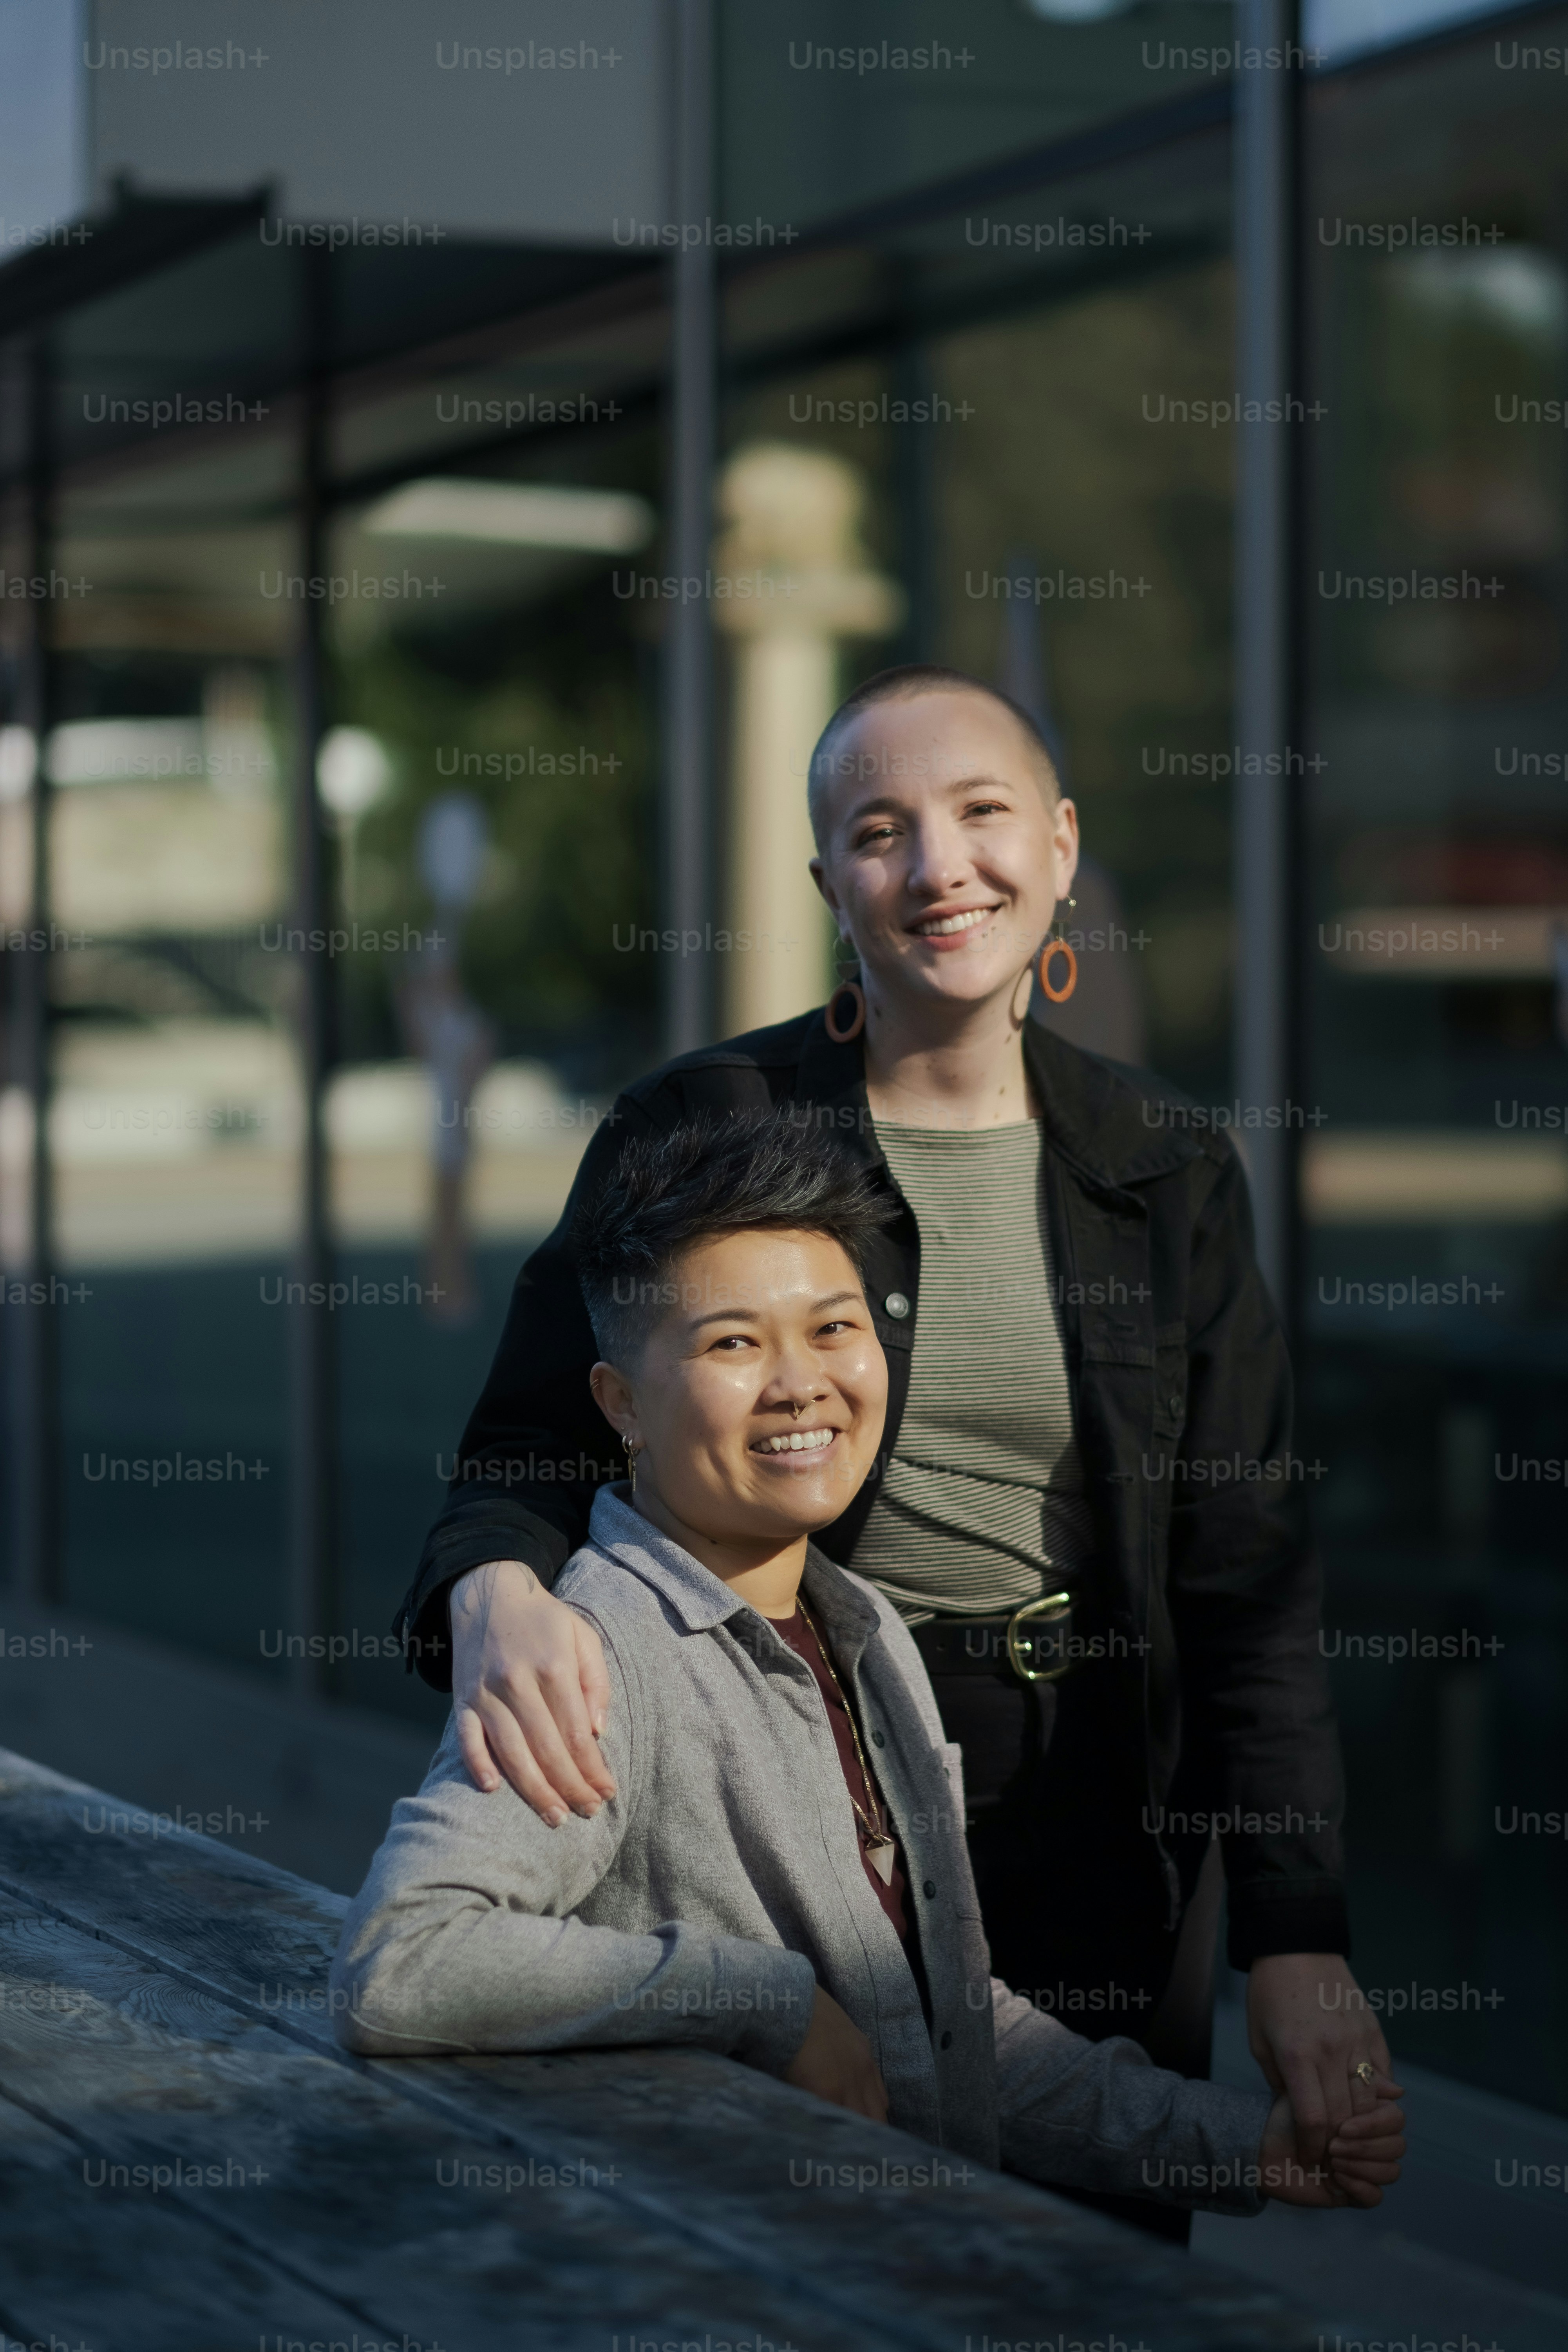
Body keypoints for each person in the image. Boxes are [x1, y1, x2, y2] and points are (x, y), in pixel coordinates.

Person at [393, 664, 1391, 2238]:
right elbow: (528, 1436)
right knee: (828, 2237)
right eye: (879, 830)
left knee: (1082, 2252)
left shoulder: (1167, 1166)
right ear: (825, 884)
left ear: (1058, 848)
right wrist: (499, 1595)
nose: (938, 867)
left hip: (1092, 1805)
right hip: (812, 1769)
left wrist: (1295, 1931)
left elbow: (1245, 1577)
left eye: (980, 815)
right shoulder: (702, 1117)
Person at [343, 1115, 1404, 2219]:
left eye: (832, 1328)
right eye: (732, 1344)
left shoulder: (863, 1631)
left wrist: (1240, 2146)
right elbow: (404, 1960)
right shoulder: (599, 1653)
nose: (800, 1385)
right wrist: (765, 1999)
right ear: (619, 1406)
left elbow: (947, 2028)